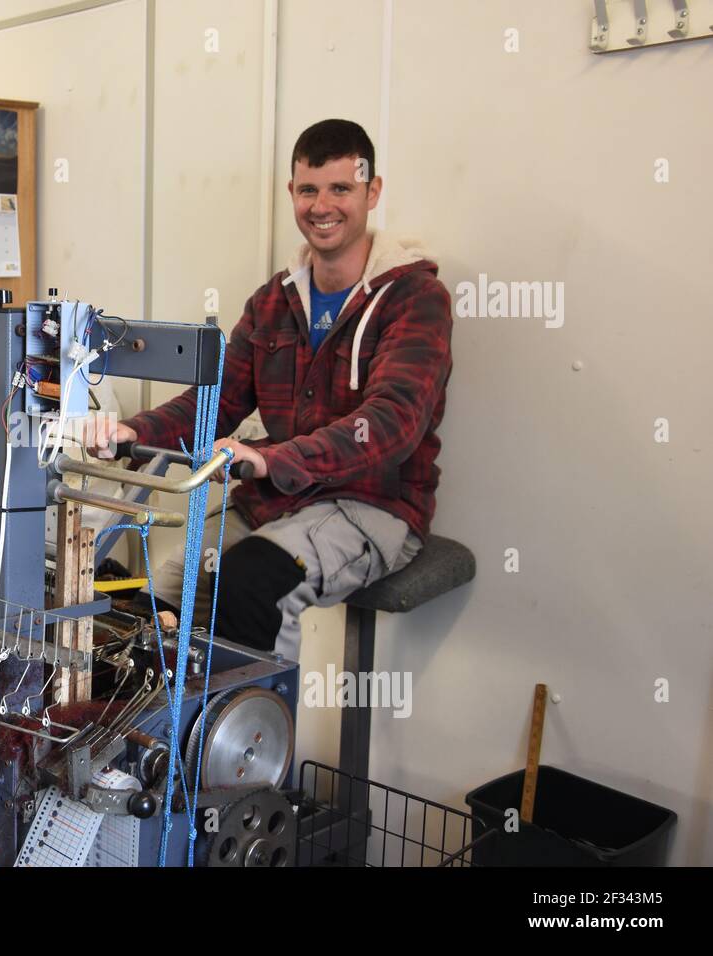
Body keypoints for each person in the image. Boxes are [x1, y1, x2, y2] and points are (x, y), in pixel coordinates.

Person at [84, 119, 453, 660]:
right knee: (158, 599)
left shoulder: (416, 298)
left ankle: (251, 743)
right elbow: (220, 401)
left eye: (341, 189)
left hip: (372, 505)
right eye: (309, 189)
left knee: (250, 585)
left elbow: (390, 424)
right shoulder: (273, 302)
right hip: (280, 499)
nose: (322, 205)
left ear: (372, 193)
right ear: (292, 193)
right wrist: (133, 431)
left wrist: (269, 459)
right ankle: (162, 739)